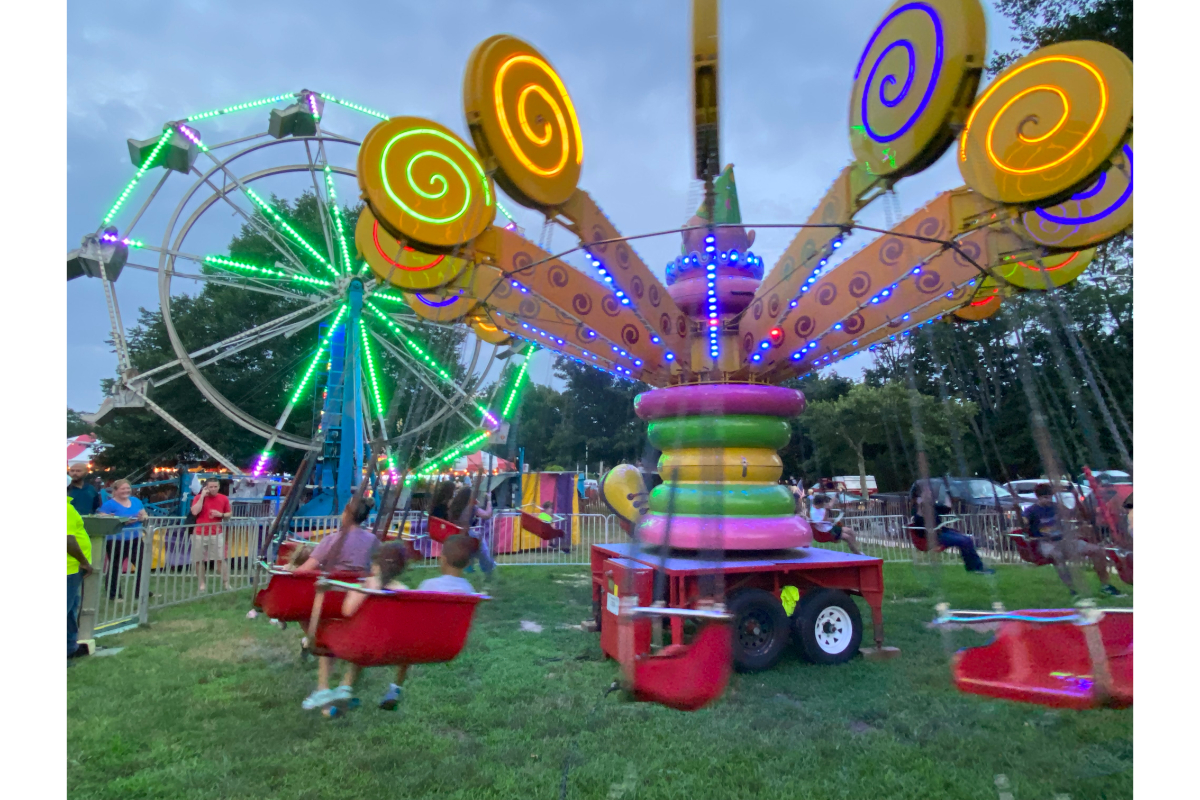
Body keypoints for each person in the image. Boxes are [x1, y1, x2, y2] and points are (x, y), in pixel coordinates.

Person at [300, 496, 380, 711]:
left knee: (326, 632)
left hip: (333, 600)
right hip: (360, 600)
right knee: (359, 635)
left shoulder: (332, 540)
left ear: (346, 512)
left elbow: (305, 570)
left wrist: (288, 570)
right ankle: (346, 685)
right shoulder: (373, 541)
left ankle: (323, 687)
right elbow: (378, 569)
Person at [1026, 483, 1122, 597]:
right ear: (1038, 497)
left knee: (1098, 550)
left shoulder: (1057, 506)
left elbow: (1073, 514)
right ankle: (1072, 589)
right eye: (1045, 498)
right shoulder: (1031, 510)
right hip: (1045, 542)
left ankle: (1105, 585)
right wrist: (1024, 523)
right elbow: (1024, 522)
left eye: (1050, 497)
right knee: (1057, 556)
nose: (1048, 500)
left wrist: (1076, 497)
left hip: (1064, 540)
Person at [910, 482, 993, 574]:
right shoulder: (917, 508)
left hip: (941, 532)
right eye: (927, 491)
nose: (930, 492)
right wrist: (921, 504)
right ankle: (976, 568)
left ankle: (975, 567)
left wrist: (948, 493)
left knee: (967, 539)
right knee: (964, 541)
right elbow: (919, 517)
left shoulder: (931, 506)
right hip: (932, 537)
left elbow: (946, 508)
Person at [97, 479, 149, 600]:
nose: (126, 491)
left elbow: (145, 514)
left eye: (128, 488)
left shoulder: (136, 501)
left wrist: (143, 518)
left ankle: (142, 592)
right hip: (116, 539)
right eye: (122, 489)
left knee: (142, 565)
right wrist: (120, 520)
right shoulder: (109, 505)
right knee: (115, 567)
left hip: (135, 537)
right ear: (115, 491)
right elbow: (102, 517)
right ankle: (114, 594)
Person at [190, 478, 233, 592]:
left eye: (215, 487)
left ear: (219, 487)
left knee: (220, 559)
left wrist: (221, 514)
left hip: (216, 533)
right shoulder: (198, 497)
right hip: (199, 533)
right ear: (206, 487)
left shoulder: (223, 498)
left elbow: (229, 514)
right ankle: (202, 584)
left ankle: (226, 583)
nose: (213, 489)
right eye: (211, 487)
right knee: (199, 560)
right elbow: (194, 512)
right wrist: (202, 497)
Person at [67, 498, 94, 661]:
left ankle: (70, 648)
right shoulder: (65, 509)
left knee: (71, 609)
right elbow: (67, 539)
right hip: (69, 568)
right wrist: (84, 561)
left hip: (71, 568)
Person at [449, 485, 496, 574]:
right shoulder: (471, 508)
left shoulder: (453, 506)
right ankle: (488, 567)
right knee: (482, 547)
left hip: (454, 533)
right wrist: (489, 500)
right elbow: (487, 515)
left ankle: (469, 566)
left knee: (473, 547)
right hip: (466, 533)